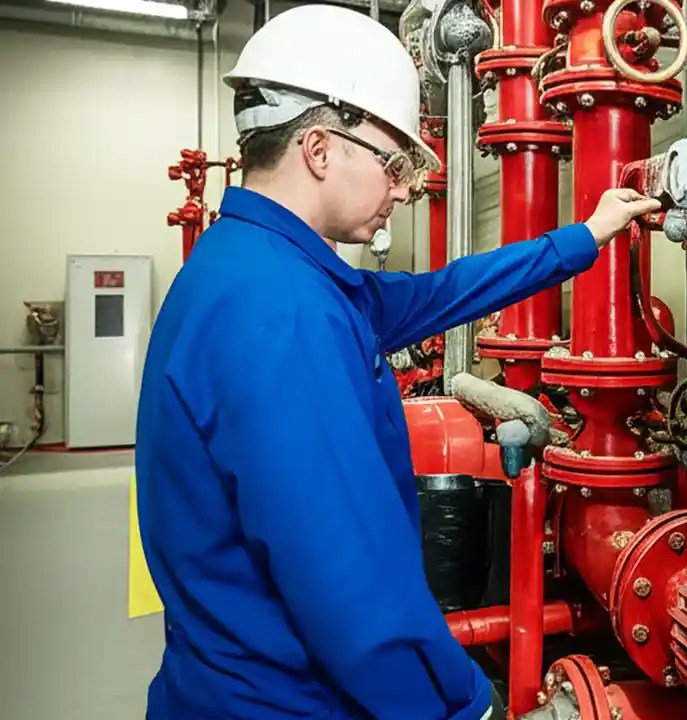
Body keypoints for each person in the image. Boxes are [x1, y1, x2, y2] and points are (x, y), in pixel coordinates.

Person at [133, 5, 660, 720]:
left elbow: (449, 290)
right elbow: (346, 587)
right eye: (394, 163)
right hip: (291, 702)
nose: (407, 188)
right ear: (320, 149)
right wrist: (461, 703)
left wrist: (586, 235)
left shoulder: (266, 272)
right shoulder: (282, 314)